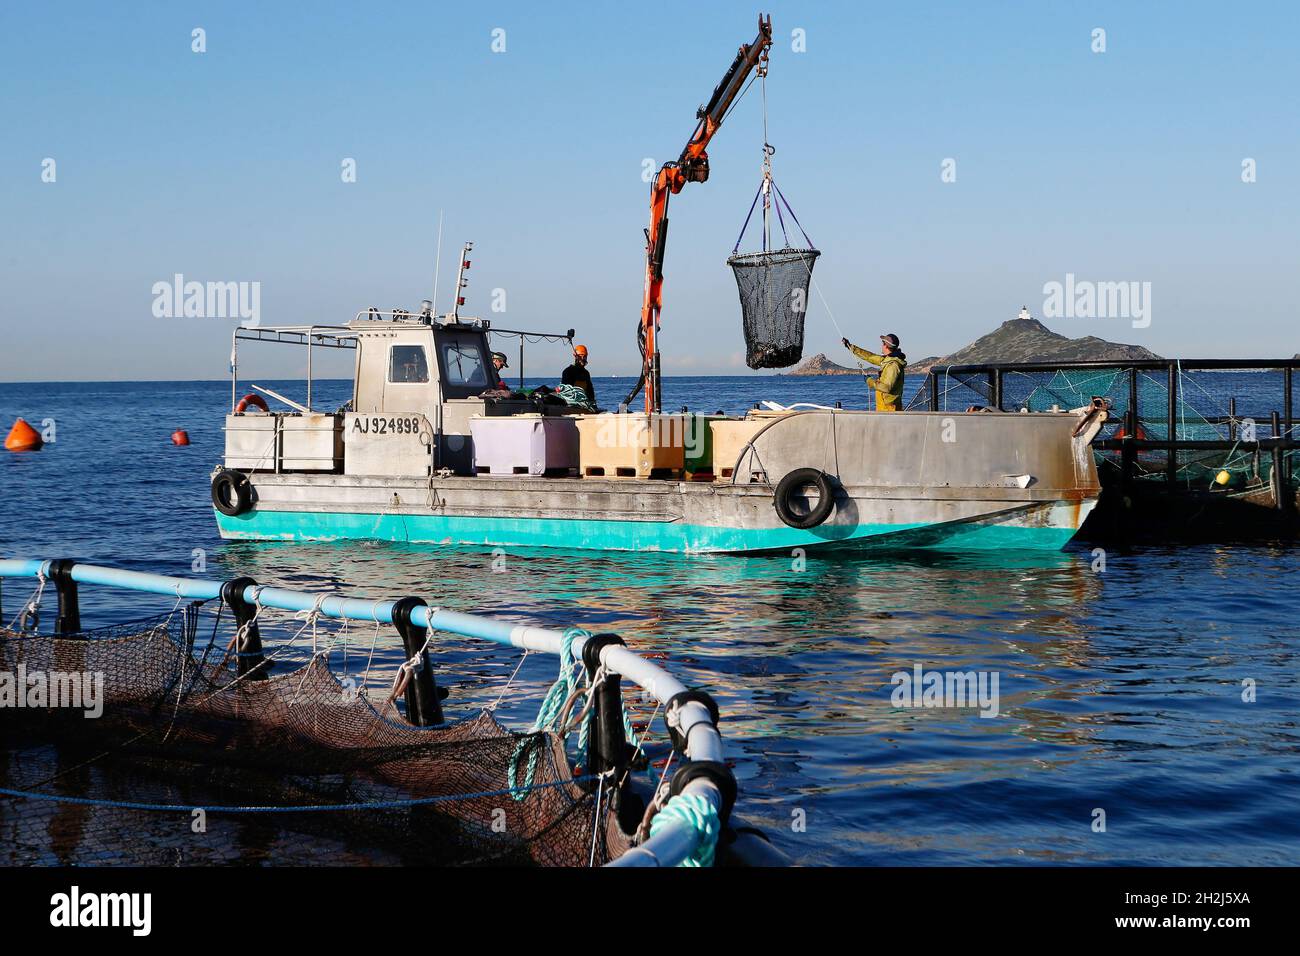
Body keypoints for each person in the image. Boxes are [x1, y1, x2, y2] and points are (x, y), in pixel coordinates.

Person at [842, 333, 907, 411]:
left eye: (882, 343)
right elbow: (870, 357)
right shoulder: (887, 359)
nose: (881, 346)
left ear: (886, 345)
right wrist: (850, 346)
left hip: (889, 408)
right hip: (884, 405)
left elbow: (886, 387)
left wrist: (870, 381)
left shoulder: (893, 365)